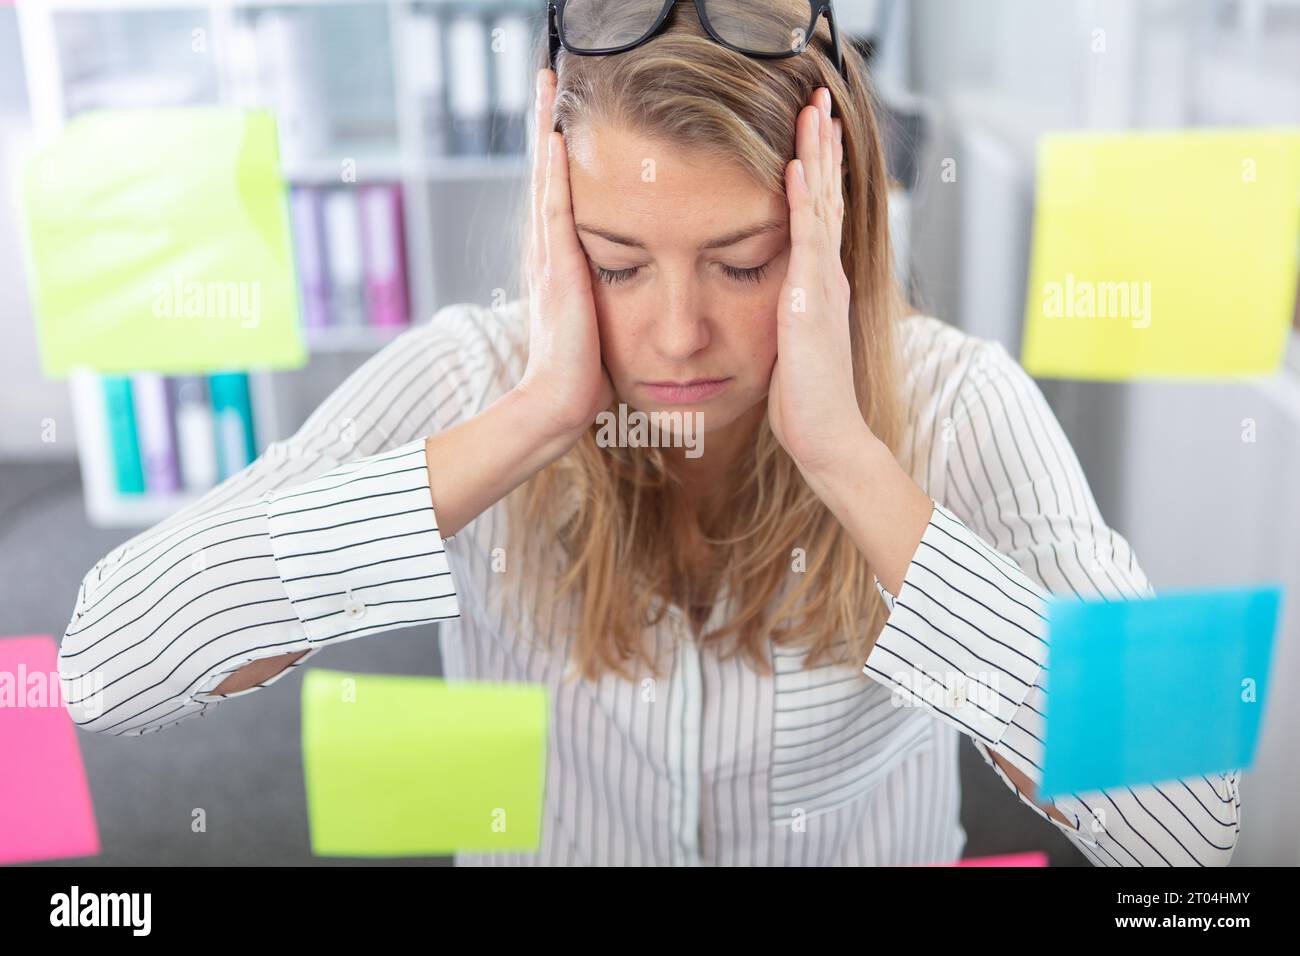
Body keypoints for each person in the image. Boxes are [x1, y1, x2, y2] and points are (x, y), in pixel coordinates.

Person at [58, 0, 1239, 866]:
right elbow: (110, 663)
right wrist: (529, 420)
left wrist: (848, 462)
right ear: (557, 231)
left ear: (833, 232)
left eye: (742, 263)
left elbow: (1188, 823)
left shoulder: (953, 403)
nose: (677, 332)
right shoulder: (477, 374)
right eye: (618, 265)